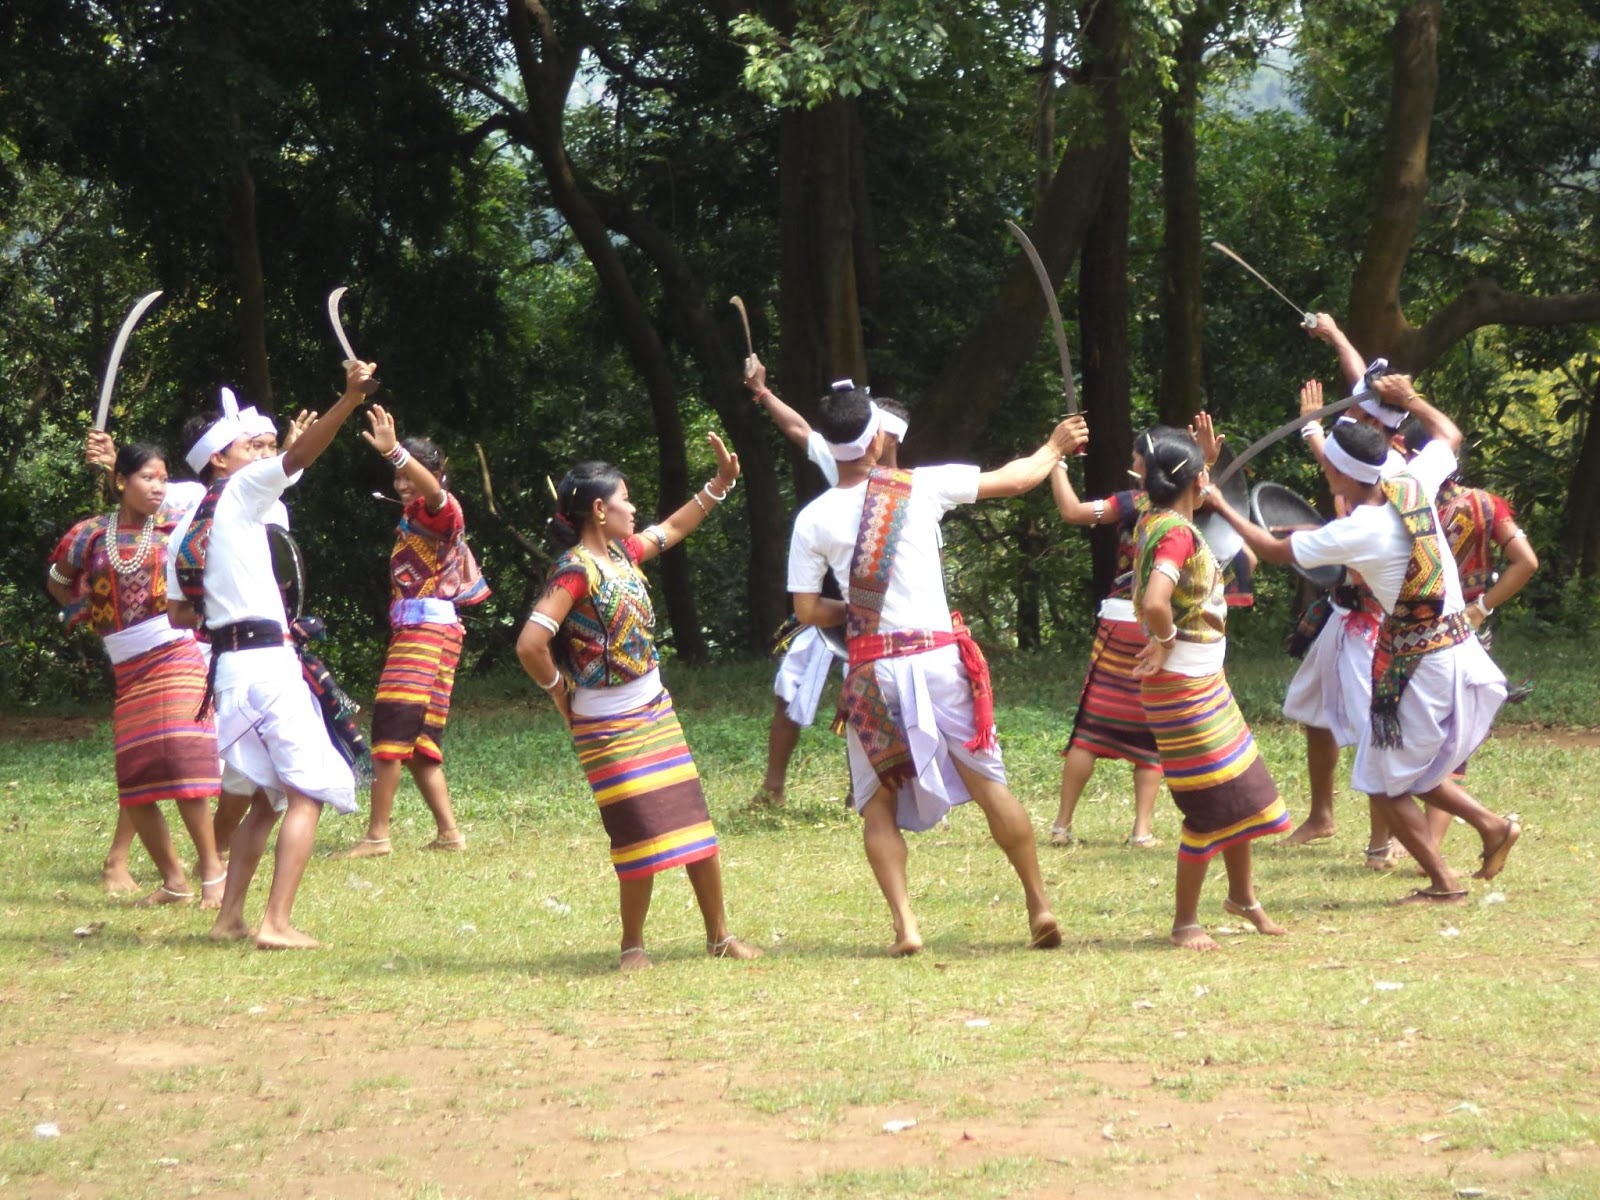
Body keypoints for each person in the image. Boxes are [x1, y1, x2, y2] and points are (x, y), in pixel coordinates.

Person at [787, 384, 1086, 955]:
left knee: (876, 803)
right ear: (877, 439)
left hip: (873, 671)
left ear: (830, 446)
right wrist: (1055, 446)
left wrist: (858, 610)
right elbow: (1016, 478)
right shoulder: (918, 487)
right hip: (938, 658)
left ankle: (906, 927)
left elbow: (806, 610)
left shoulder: (812, 518)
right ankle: (1038, 904)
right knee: (989, 783)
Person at [1206, 375, 1520, 904]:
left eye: (1327, 463)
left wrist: (1219, 501)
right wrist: (1409, 399)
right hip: (1453, 649)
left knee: (1383, 779)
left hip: (1426, 662)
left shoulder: (1360, 529)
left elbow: (1272, 547)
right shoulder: (1412, 481)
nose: (1324, 466)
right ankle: (1491, 828)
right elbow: (1450, 433)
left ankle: (1446, 882)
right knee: (1411, 769)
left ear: (1342, 473)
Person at [516, 442, 761, 971]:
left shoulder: (623, 555)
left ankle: (719, 936)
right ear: (599, 511)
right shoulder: (574, 571)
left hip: (654, 710)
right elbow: (530, 644)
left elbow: (673, 528)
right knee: (634, 832)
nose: (635, 508)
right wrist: (561, 695)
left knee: (696, 826)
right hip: (605, 725)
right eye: (625, 500)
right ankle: (632, 946)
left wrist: (720, 482)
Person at [167, 361, 376, 949]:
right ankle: (276, 923)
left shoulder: (188, 527)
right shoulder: (238, 492)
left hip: (230, 673)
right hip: (266, 665)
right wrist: (348, 399)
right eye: (247, 444)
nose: (260, 450)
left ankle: (228, 917)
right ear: (220, 460)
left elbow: (181, 614)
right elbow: (298, 458)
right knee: (306, 790)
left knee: (263, 797)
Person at [1127, 429, 1291, 951]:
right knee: (1210, 803)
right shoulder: (1175, 533)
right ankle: (1185, 923)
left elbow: (1183, 502)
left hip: (1203, 683)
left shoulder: (1154, 516)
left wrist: (1205, 465)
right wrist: (1166, 638)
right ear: (1196, 482)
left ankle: (1243, 898)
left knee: (1239, 789)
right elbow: (1157, 601)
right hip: (1184, 687)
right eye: (1203, 477)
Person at [47, 441, 225, 908]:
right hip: (127, 667)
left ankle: (213, 878)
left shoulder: (174, 531)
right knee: (136, 775)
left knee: (185, 762)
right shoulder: (86, 535)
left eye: (163, 478)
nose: (157, 486)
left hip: (175, 654)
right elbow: (58, 578)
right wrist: (75, 607)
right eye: (147, 477)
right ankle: (174, 882)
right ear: (121, 481)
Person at [1046, 418, 1227, 851]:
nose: (1131, 463)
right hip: (1158, 625)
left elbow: (1072, 512)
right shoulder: (1176, 514)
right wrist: (1206, 465)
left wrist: (1055, 462)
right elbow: (1198, 498)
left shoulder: (1133, 503)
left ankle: (1061, 825)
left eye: (1135, 458)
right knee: (1150, 735)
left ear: (1147, 466)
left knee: (1090, 726)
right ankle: (1141, 829)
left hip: (1119, 617)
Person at [744, 360, 911, 807]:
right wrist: (763, 393)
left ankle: (871, 790)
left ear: (886, 437)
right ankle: (773, 787)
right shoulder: (844, 463)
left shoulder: (914, 493)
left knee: (886, 701)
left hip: (893, 625)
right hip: (830, 610)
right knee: (791, 685)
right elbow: (800, 430)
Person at [341, 408, 486, 856]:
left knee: (391, 728)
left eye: (410, 475)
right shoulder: (415, 517)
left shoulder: (442, 509)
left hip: (424, 631)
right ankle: (449, 834)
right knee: (422, 742)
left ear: (436, 474)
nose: (402, 483)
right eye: (396, 476)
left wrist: (396, 451)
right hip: (432, 630)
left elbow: (430, 491)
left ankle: (377, 836)